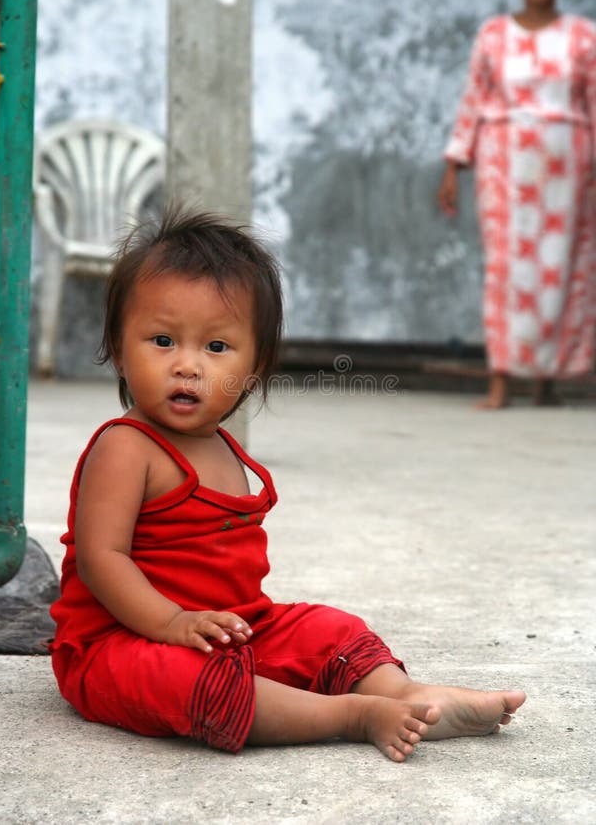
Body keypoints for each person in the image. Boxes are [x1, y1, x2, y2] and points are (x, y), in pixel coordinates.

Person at [49, 206, 526, 762]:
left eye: (215, 347)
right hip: (120, 643)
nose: (187, 365)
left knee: (328, 628)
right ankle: (353, 715)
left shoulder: (224, 448)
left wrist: (212, 626)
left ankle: (406, 695)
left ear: (255, 369)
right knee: (192, 681)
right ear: (117, 347)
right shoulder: (125, 447)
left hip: (231, 628)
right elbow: (101, 559)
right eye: (162, 340)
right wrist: (173, 623)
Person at [437, 0, 596, 409]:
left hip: (568, 163)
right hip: (502, 160)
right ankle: (501, 378)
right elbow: (474, 98)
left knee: (561, 266)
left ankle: (547, 379)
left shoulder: (584, 35)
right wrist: (454, 163)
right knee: (506, 267)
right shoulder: (494, 34)